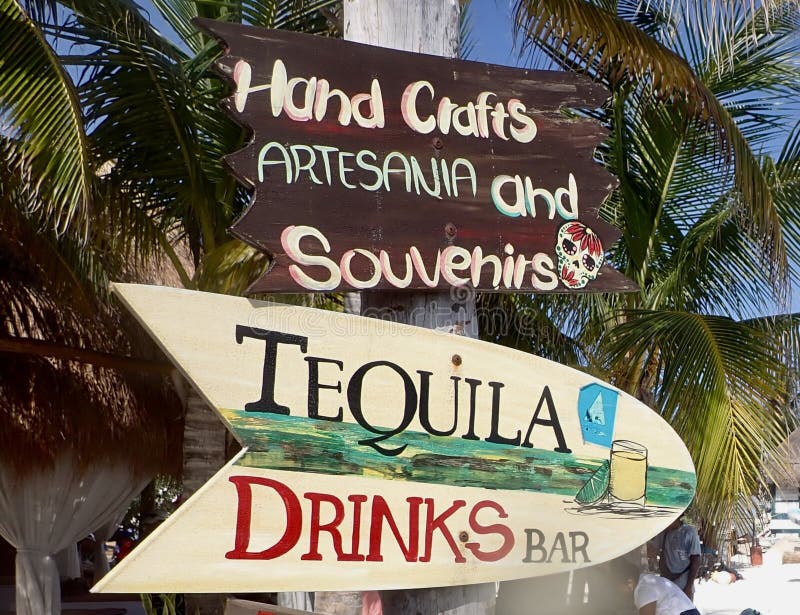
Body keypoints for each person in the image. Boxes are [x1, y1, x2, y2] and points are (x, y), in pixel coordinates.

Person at [647, 515, 701, 600]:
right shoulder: (663, 533)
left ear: (676, 517)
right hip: (667, 584)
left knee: (685, 611)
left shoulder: (689, 532)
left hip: (684, 585)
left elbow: (696, 561)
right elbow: (652, 550)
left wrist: (688, 587)